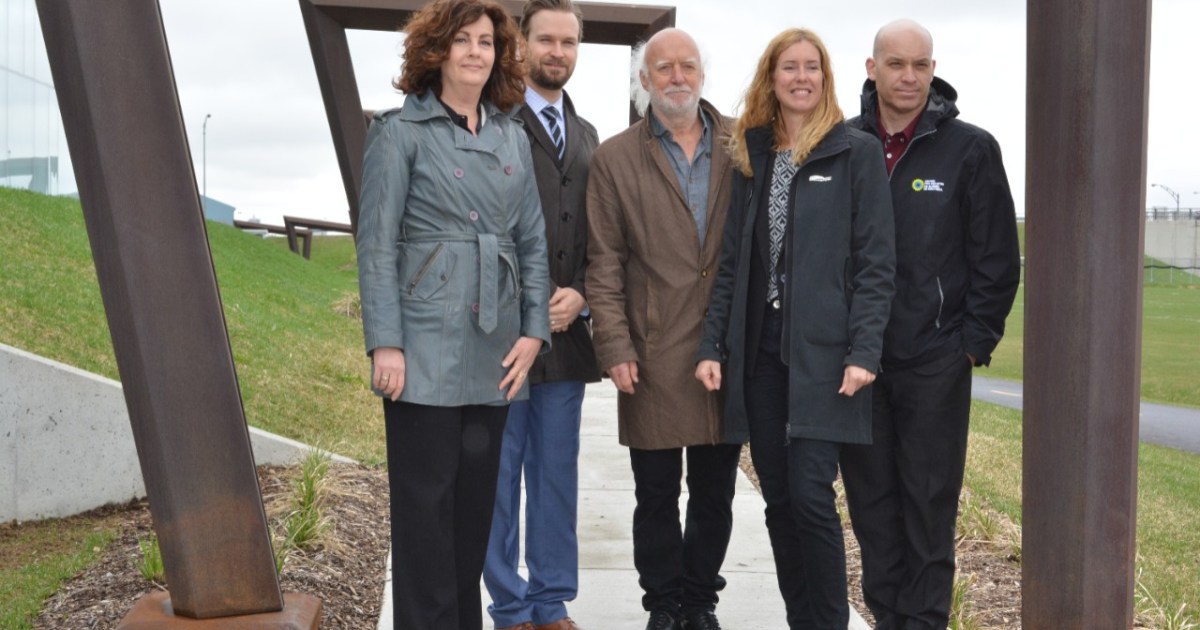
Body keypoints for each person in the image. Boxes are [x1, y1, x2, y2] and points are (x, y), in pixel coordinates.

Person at [355, 0, 551, 627]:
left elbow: (532, 243)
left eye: (486, 42)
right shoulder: (398, 132)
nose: (475, 51)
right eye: (462, 40)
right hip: (421, 345)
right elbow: (377, 244)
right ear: (436, 50)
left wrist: (533, 332)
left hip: (491, 344)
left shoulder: (511, 135)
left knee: (473, 514)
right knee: (424, 513)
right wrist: (386, 343)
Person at [695, 27, 895, 630]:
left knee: (811, 498)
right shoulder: (751, 153)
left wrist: (864, 349)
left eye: (812, 66)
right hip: (759, 355)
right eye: (790, 67)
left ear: (826, 78)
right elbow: (732, 262)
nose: (801, 76)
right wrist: (713, 346)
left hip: (827, 358)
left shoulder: (853, 151)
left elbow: (876, 261)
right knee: (779, 501)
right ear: (771, 78)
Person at [839, 19, 1021, 630]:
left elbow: (997, 258)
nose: (910, 76)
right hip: (858, 365)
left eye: (921, 65)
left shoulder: (970, 149)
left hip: (935, 362)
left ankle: (923, 622)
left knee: (927, 505)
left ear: (932, 68)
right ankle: (889, 617)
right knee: (872, 507)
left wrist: (970, 345)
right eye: (896, 64)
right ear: (872, 69)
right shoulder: (842, 143)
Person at [585, 27, 742, 630]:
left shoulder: (743, 144)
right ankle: (663, 604)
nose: (677, 77)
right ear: (643, 80)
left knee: (714, 494)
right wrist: (614, 345)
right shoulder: (616, 158)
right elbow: (604, 263)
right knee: (655, 495)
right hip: (649, 354)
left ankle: (700, 602)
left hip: (722, 350)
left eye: (688, 67)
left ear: (702, 75)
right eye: (663, 69)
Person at [483, 2, 600, 629]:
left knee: (555, 477)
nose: (558, 52)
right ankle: (509, 605)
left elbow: (603, 237)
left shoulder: (588, 137)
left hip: (567, 341)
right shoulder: (492, 120)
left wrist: (581, 292)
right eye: (546, 40)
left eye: (569, 42)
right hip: (502, 335)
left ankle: (551, 602)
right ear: (522, 44)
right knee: (500, 478)